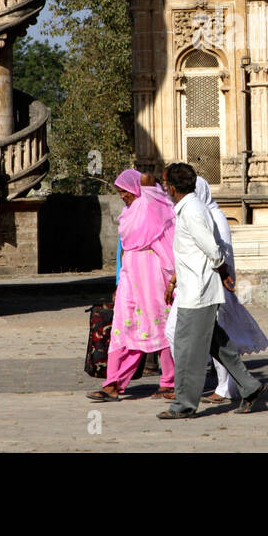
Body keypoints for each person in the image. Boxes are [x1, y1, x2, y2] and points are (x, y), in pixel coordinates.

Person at [158, 163, 268, 419]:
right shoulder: (188, 209)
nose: (165, 189)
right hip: (194, 288)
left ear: (173, 188)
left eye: (166, 184)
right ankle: (250, 388)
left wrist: (224, 273)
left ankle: (183, 405)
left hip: (198, 292)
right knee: (218, 345)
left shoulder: (193, 211)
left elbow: (212, 248)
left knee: (188, 350)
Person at [87, 170, 176, 402]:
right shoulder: (127, 213)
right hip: (130, 275)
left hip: (151, 274)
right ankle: (113, 384)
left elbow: (146, 177)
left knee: (160, 326)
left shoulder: (150, 204)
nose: (123, 196)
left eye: (125, 190)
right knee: (123, 328)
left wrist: (156, 176)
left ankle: (169, 382)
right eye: (119, 193)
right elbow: (124, 250)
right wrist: (120, 281)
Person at [195, 176, 268, 403]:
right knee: (216, 338)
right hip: (205, 286)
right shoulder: (202, 214)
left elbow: (220, 254)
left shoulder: (215, 217)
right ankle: (228, 386)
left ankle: (225, 387)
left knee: (220, 337)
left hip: (216, 286)